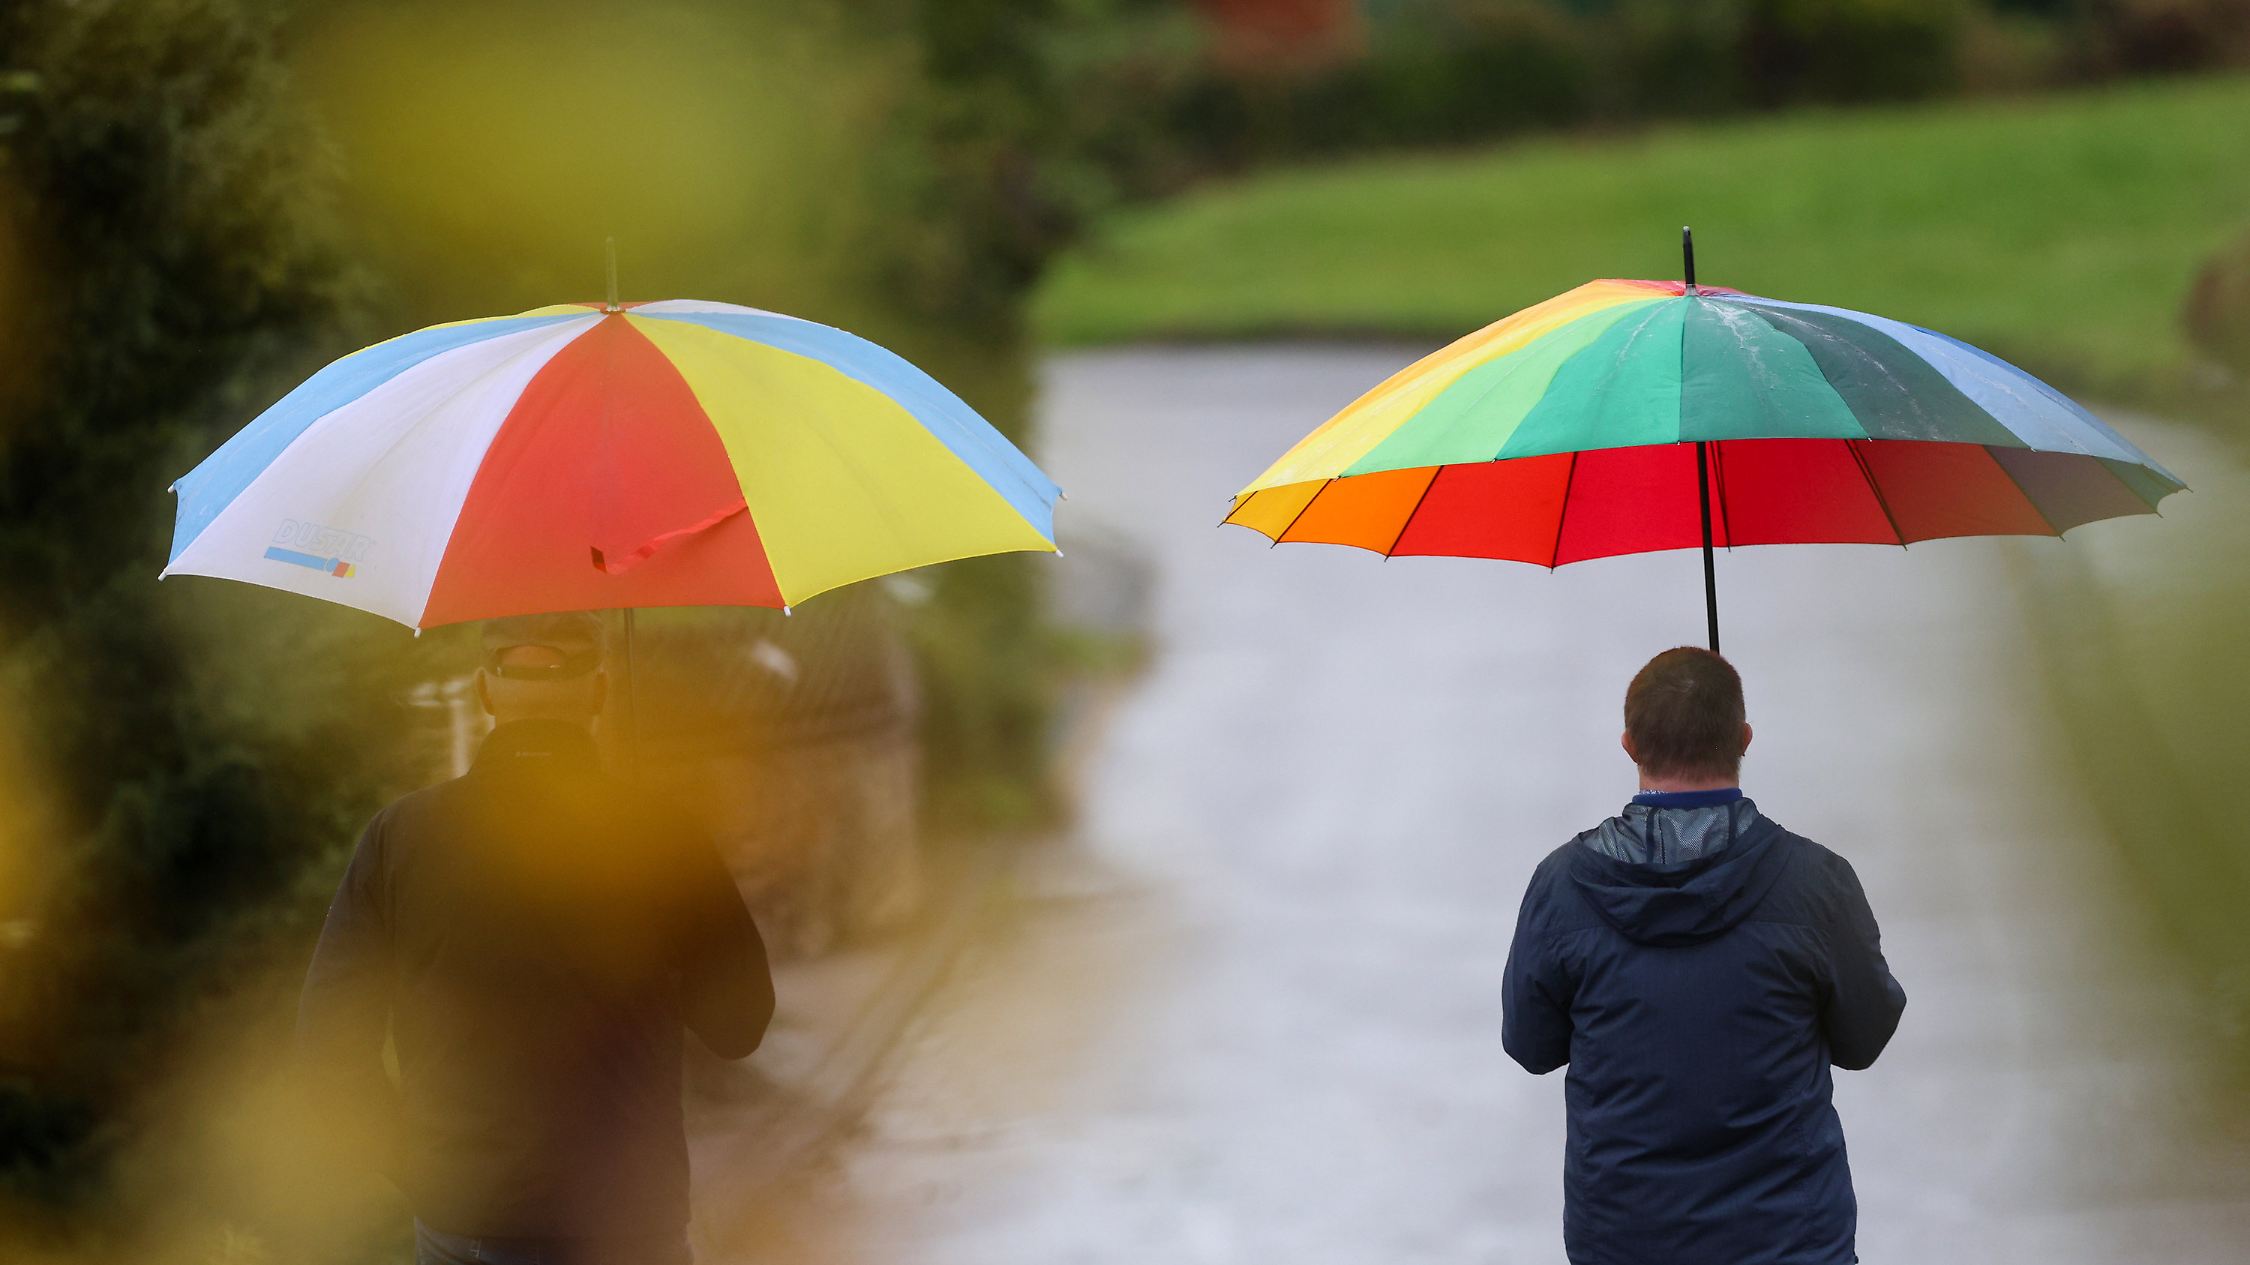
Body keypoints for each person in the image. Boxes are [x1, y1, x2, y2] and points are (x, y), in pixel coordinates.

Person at [297, 611, 774, 1265]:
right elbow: (741, 1023)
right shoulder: (663, 834)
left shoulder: (398, 837)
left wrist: (423, 1166)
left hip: (463, 1218)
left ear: (485, 691)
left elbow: (328, 1042)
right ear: (600, 692)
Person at [1503, 646, 1906, 1265]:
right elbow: (1864, 1038)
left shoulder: (1562, 886)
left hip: (1625, 1240)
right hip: (1789, 1241)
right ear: (1744, 737)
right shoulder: (1815, 881)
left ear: (1630, 745)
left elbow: (1531, 1046)